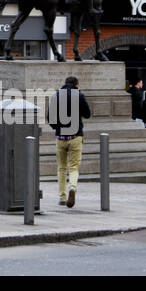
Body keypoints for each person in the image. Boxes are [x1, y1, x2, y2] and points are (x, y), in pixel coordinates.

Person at [46, 75, 91, 208]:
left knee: (61, 167)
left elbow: (50, 118)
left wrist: (57, 128)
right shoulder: (79, 95)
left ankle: (62, 196)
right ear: (77, 85)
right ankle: (72, 188)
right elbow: (87, 114)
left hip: (61, 137)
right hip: (75, 136)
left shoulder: (56, 96)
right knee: (73, 167)